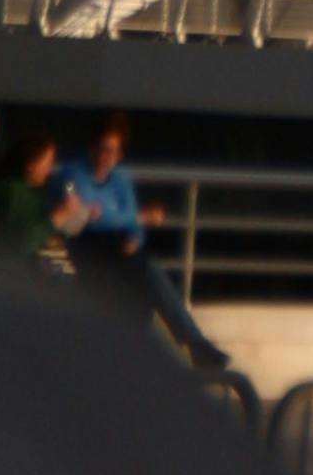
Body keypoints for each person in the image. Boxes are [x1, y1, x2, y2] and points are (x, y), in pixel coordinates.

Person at [62, 120, 247, 391]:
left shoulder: (120, 181)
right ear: (91, 149)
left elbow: (130, 224)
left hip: (118, 253)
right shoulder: (73, 177)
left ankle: (185, 350)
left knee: (144, 274)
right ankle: (193, 345)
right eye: (101, 150)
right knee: (146, 273)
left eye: (111, 152)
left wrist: (134, 236)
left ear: (119, 155)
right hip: (89, 250)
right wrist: (140, 217)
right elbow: (91, 219)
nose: (105, 157)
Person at [0, 128, 76, 274]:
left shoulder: (38, 191)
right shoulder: (10, 193)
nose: (49, 169)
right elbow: (19, 242)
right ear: (31, 165)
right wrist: (56, 218)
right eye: (47, 163)